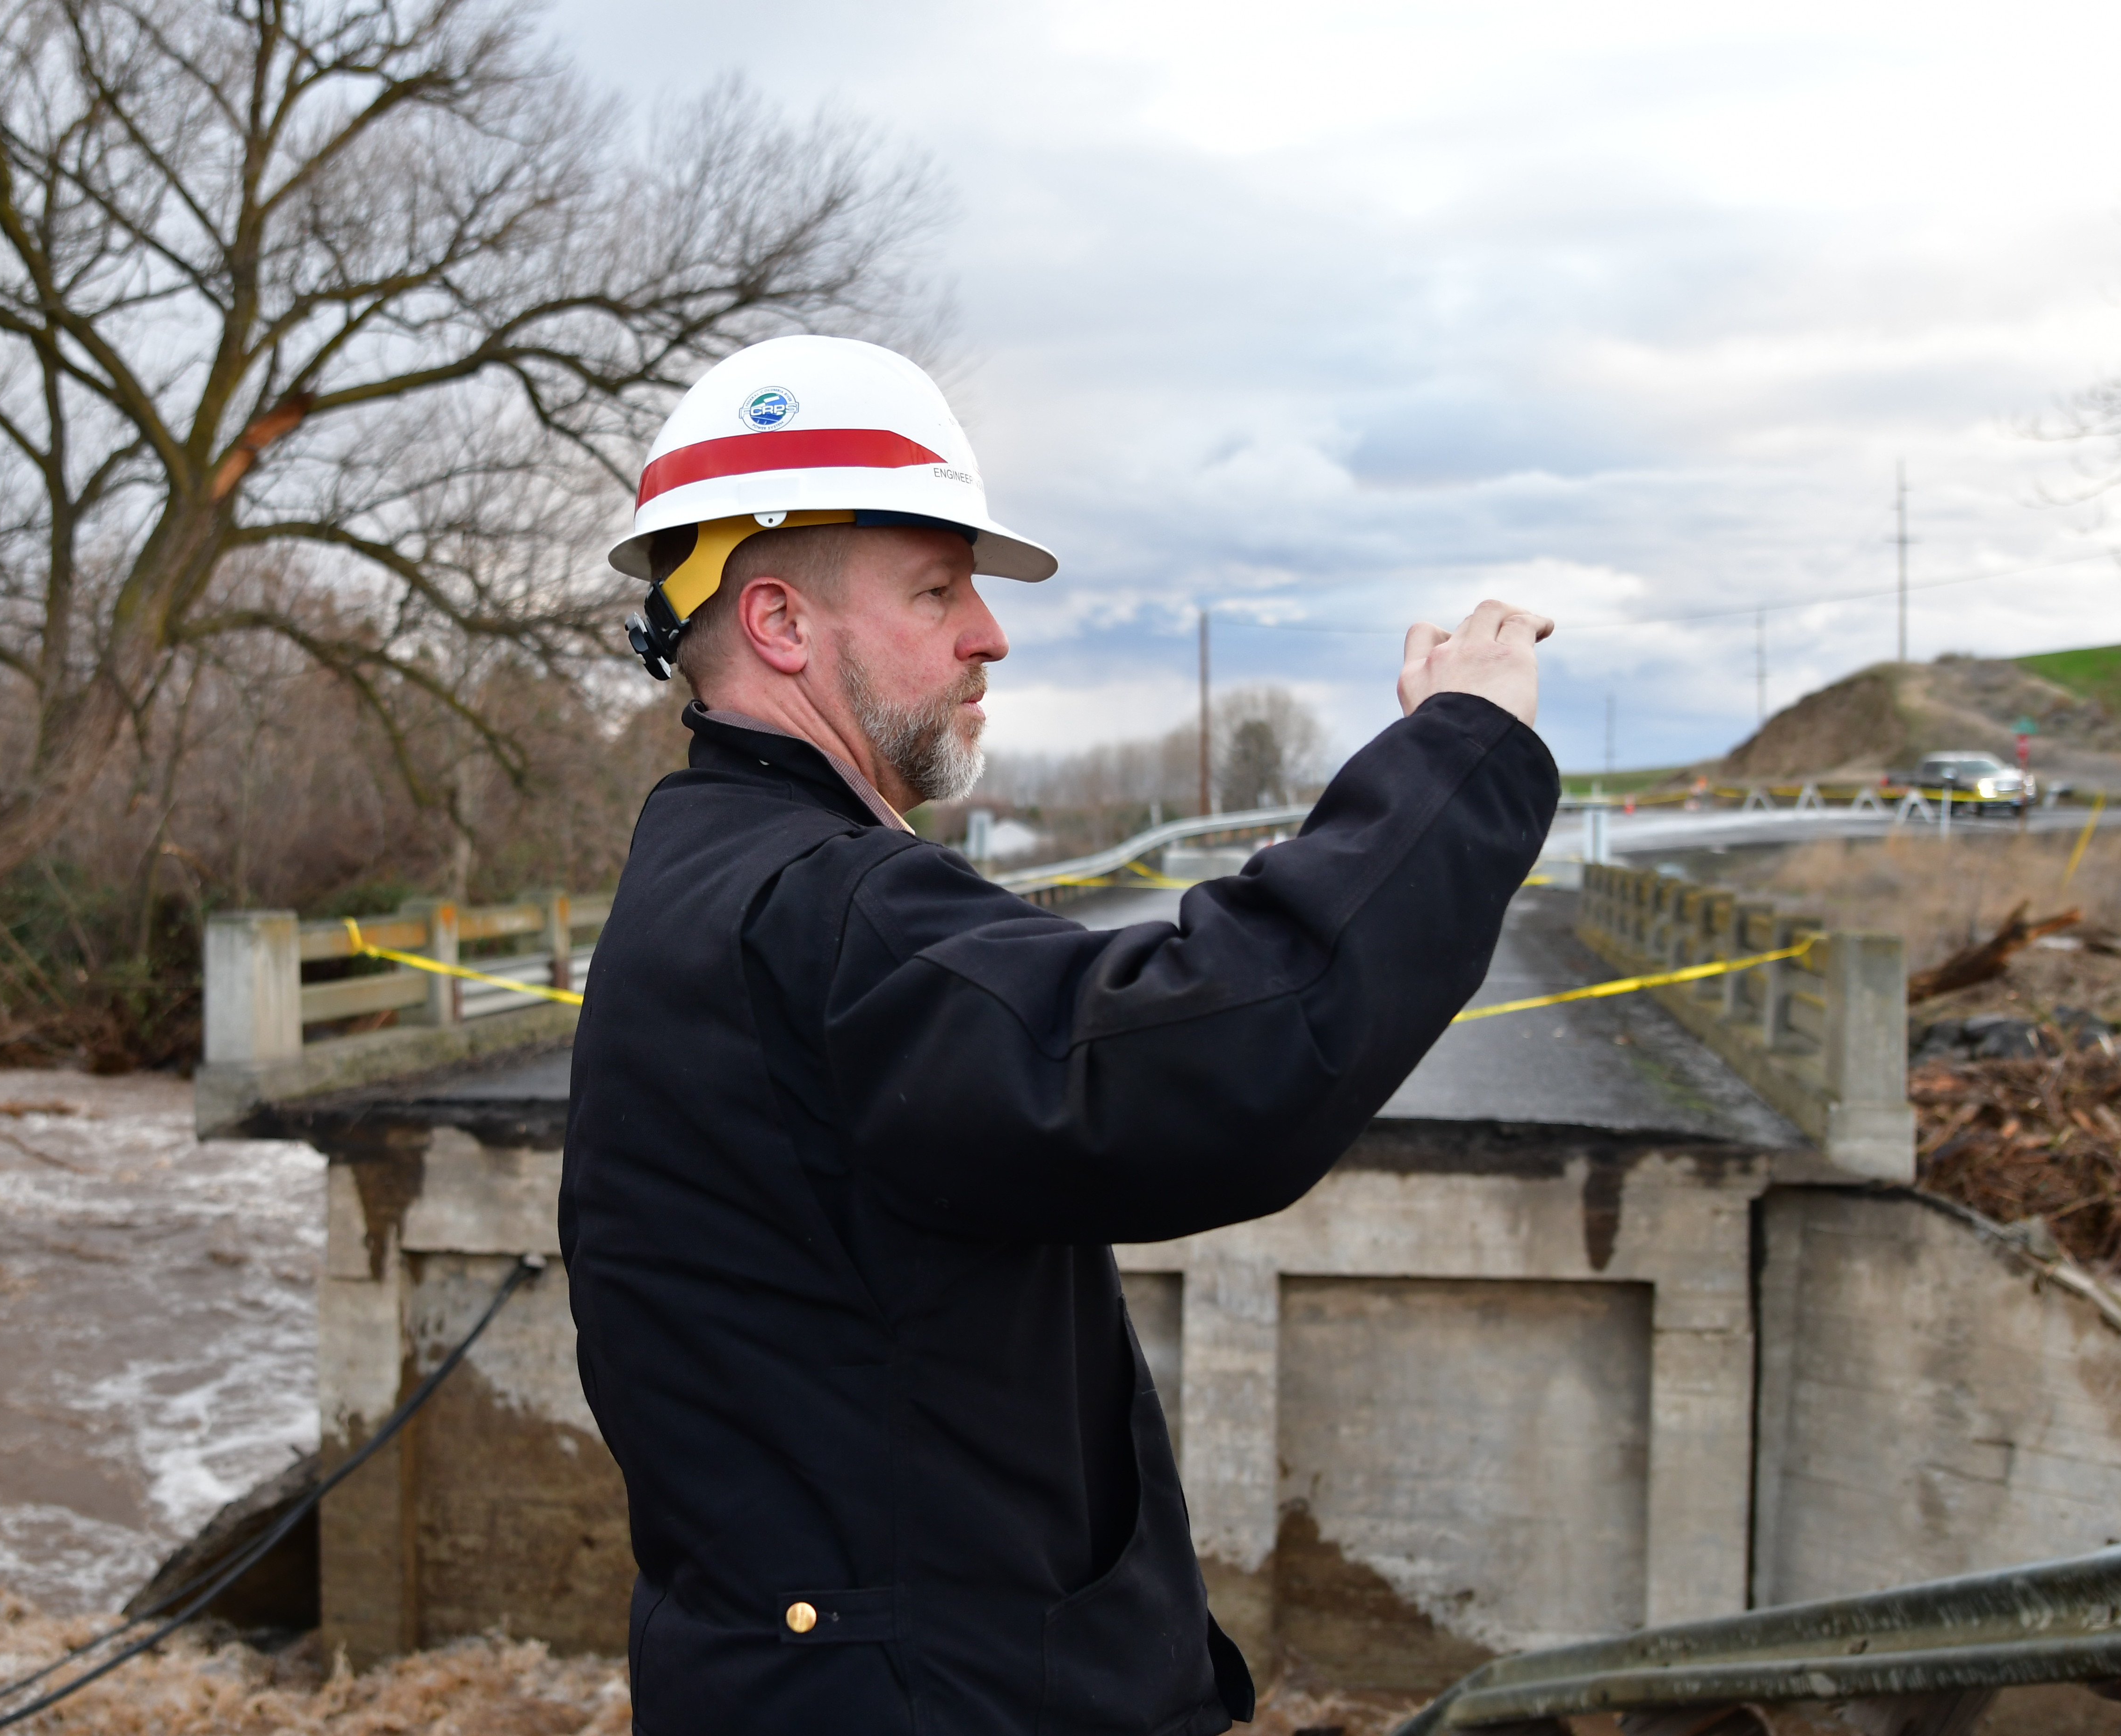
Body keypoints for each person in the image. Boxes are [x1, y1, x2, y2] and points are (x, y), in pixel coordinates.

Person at [561, 335, 1557, 1736]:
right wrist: (1463, 753)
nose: (991, 633)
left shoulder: (703, 871)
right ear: (780, 622)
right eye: (937, 589)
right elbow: (1221, 1053)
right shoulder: (828, 910)